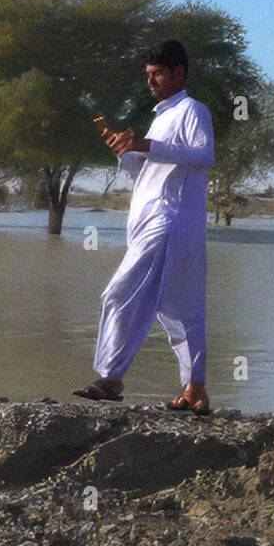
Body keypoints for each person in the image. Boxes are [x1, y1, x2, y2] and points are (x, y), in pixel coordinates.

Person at [73, 40, 215, 413]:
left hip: (169, 221)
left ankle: (112, 378)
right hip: (157, 221)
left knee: (118, 294)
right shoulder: (160, 116)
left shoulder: (191, 110)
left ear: (179, 73)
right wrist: (129, 153)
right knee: (178, 308)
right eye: (148, 75)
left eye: (158, 74)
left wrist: (148, 144)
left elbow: (204, 156)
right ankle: (195, 389)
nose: (151, 81)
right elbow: (149, 169)